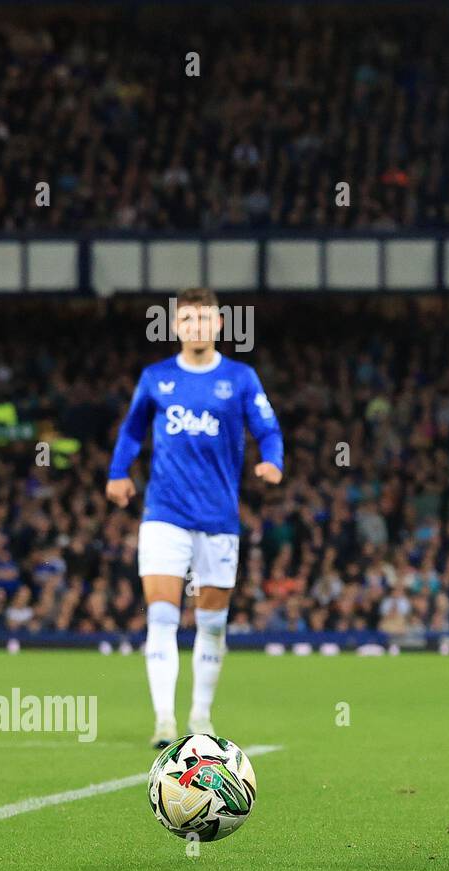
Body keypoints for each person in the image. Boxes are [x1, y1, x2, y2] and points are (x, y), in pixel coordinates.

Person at [106, 288, 283, 747]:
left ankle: (200, 716)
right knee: (162, 615)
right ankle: (164, 721)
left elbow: (267, 426)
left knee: (212, 623)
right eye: (188, 321)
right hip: (164, 514)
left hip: (219, 518)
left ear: (219, 325)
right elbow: (131, 430)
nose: (196, 328)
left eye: (204, 320)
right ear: (177, 327)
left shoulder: (240, 378)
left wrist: (273, 460)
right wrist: (118, 472)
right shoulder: (156, 377)